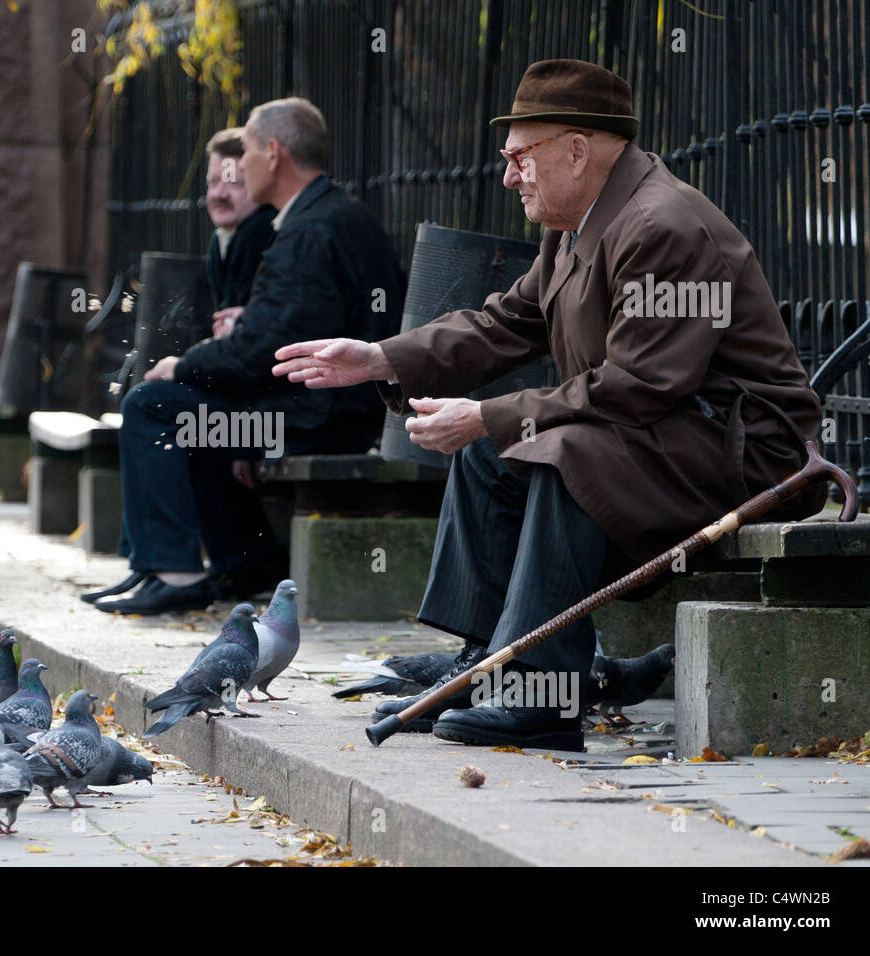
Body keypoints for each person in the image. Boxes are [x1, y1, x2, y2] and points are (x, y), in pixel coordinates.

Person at [273, 60, 823, 750]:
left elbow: (641, 384)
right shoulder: (580, 219)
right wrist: (382, 357)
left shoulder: (662, 224)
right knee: (489, 452)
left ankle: (543, 694)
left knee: (563, 449)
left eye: (518, 157)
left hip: (743, 456)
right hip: (668, 433)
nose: (510, 177)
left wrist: (488, 413)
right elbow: (507, 322)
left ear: (576, 148)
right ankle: (487, 659)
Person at [87, 97, 406, 615]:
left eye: (250, 152)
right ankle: (247, 563)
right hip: (323, 412)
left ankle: (175, 570)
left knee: (154, 405)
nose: (244, 164)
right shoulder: (327, 216)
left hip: (316, 420)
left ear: (274, 153)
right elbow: (277, 334)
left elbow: (259, 349)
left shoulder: (310, 231)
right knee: (196, 414)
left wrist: (182, 364)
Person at [202, 128, 277, 338]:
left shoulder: (259, 231)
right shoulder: (221, 237)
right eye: (213, 182)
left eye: (234, 183)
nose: (219, 193)